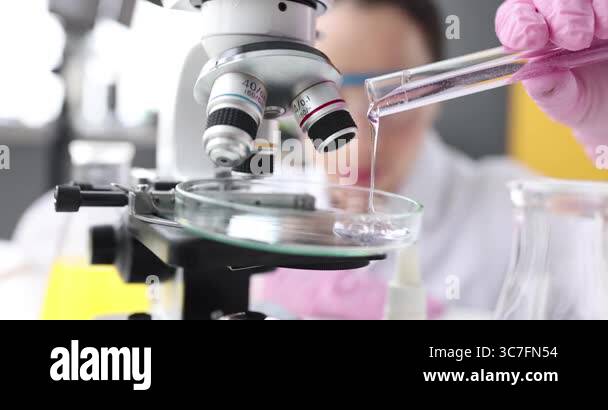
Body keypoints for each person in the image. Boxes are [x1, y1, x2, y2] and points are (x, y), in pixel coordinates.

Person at [251, 0, 608, 319]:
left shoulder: (519, 209)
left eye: (395, 95)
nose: (357, 144)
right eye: (323, 98)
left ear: (439, 93)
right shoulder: (256, 206)